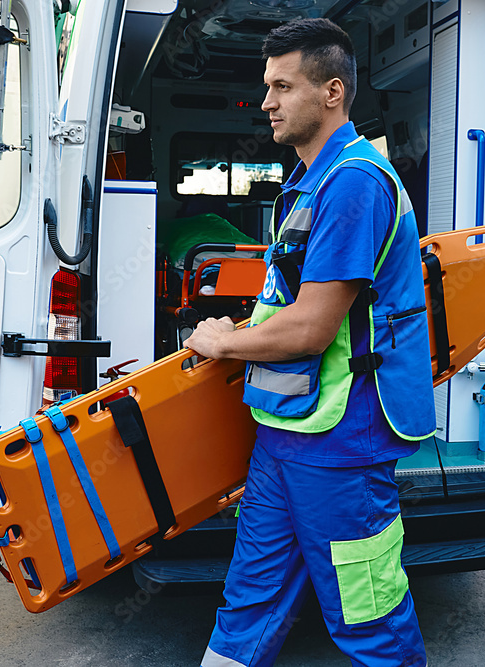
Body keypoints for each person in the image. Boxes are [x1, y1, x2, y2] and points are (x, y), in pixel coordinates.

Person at [184, 18, 434, 667]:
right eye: (267, 86)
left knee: (369, 618)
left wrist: (225, 342)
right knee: (247, 605)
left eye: (281, 86)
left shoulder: (355, 181)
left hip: (342, 441)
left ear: (331, 92)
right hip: (287, 431)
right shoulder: (310, 181)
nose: (265, 101)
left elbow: (313, 325)